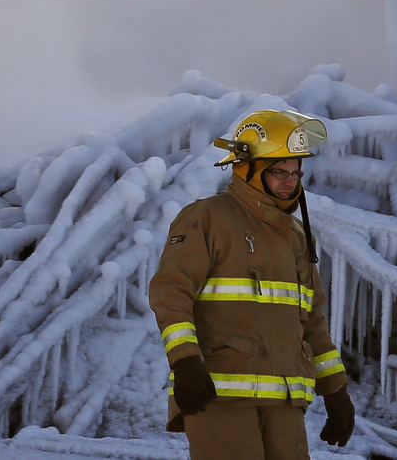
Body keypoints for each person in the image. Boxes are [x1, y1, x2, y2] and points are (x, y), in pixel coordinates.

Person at [150, 109, 355, 459]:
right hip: (219, 398)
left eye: (295, 172)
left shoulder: (296, 236)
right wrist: (185, 362)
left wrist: (335, 390)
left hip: (286, 406)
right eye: (278, 172)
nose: (290, 181)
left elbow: (312, 320)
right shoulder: (206, 217)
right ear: (245, 168)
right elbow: (170, 292)